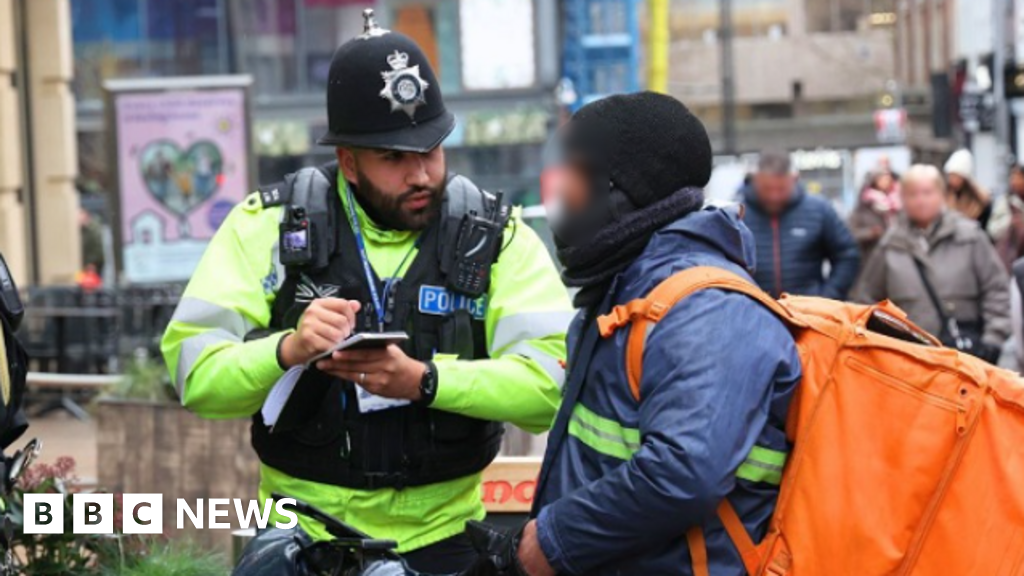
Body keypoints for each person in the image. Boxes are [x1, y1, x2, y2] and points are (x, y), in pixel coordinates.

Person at [163, 11, 572, 574]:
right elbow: (193, 374)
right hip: (302, 537)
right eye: (394, 159)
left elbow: (550, 386)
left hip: (447, 541)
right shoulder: (267, 227)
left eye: (431, 149)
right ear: (348, 162)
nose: (421, 174)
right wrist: (288, 350)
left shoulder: (498, 237)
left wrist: (426, 382)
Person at [510, 92, 801, 576]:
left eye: (573, 180)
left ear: (619, 191)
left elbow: (684, 472)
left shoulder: (707, 307)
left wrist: (551, 539)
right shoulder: (627, 291)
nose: (560, 199)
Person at [854, 164, 1009, 364]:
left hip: (967, 358)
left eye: (927, 192)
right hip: (910, 362)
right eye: (912, 194)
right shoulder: (890, 245)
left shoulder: (970, 237)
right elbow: (866, 301)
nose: (921, 200)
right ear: (902, 198)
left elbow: (996, 290)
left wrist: (993, 341)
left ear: (941, 195)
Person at [739, 150, 860, 299]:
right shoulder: (738, 215)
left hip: (807, 313)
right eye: (767, 189)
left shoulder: (819, 210)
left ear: (794, 179)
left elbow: (847, 255)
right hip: (754, 311)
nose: (774, 196)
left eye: (781, 189)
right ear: (755, 180)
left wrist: (829, 296)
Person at [849, 170, 901, 266]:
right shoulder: (861, 210)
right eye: (882, 179)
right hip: (870, 261)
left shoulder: (897, 205)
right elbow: (850, 234)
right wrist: (870, 233)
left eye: (888, 179)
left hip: (896, 261)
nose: (886, 182)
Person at [944, 149, 992, 230]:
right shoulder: (945, 195)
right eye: (951, 175)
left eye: (956, 176)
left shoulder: (980, 200)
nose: (952, 179)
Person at [988, 164, 1024, 269]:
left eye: (1019, 177)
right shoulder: (1004, 203)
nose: (1015, 181)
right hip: (1011, 261)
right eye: (1013, 177)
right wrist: (1010, 222)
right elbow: (992, 230)